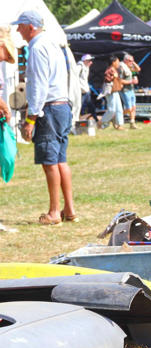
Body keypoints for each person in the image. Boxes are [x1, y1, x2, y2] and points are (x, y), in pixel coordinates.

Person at [13, 10, 77, 225]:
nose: (17, 30)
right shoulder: (51, 44)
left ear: (30, 26)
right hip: (61, 106)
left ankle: (54, 212)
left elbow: (39, 86)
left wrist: (31, 119)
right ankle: (69, 209)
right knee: (60, 160)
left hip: (48, 109)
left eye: (20, 26)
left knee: (49, 162)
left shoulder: (38, 48)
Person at [100, 55, 124, 130]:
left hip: (116, 91)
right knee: (112, 110)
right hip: (110, 92)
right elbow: (107, 80)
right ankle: (102, 122)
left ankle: (119, 125)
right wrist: (113, 76)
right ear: (113, 62)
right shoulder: (109, 70)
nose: (118, 63)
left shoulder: (116, 69)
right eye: (117, 61)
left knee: (119, 109)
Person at [119, 53, 141, 129]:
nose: (131, 62)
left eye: (132, 61)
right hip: (124, 90)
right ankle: (116, 117)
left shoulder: (130, 67)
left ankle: (132, 122)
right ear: (125, 60)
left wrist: (133, 62)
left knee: (133, 107)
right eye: (129, 61)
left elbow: (138, 69)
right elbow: (120, 80)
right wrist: (131, 82)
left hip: (131, 89)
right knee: (129, 108)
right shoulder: (121, 67)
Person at [76, 54, 98, 123]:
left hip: (86, 91)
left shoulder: (86, 67)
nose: (91, 62)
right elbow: (74, 77)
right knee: (78, 107)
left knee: (91, 106)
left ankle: (96, 120)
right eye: (89, 61)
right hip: (81, 92)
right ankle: (76, 121)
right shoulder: (79, 67)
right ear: (85, 61)